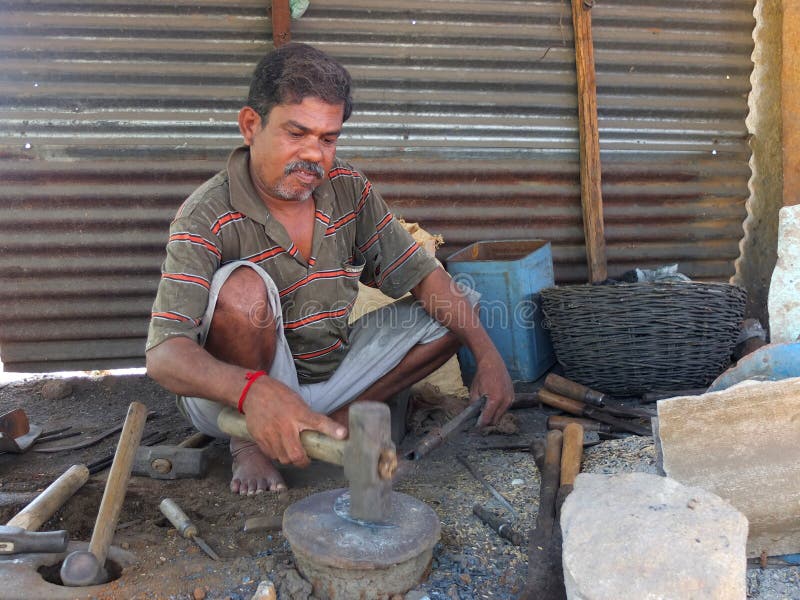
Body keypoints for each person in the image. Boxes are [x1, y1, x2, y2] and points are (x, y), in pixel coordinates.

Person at [145, 43, 514, 495]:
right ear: (250, 125)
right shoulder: (205, 214)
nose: (314, 155)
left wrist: (488, 357)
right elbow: (165, 355)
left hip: (331, 373)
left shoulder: (347, 189)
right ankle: (250, 444)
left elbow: (423, 276)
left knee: (459, 308)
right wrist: (253, 391)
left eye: (327, 138)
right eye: (296, 133)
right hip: (235, 397)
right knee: (241, 289)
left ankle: (333, 427)